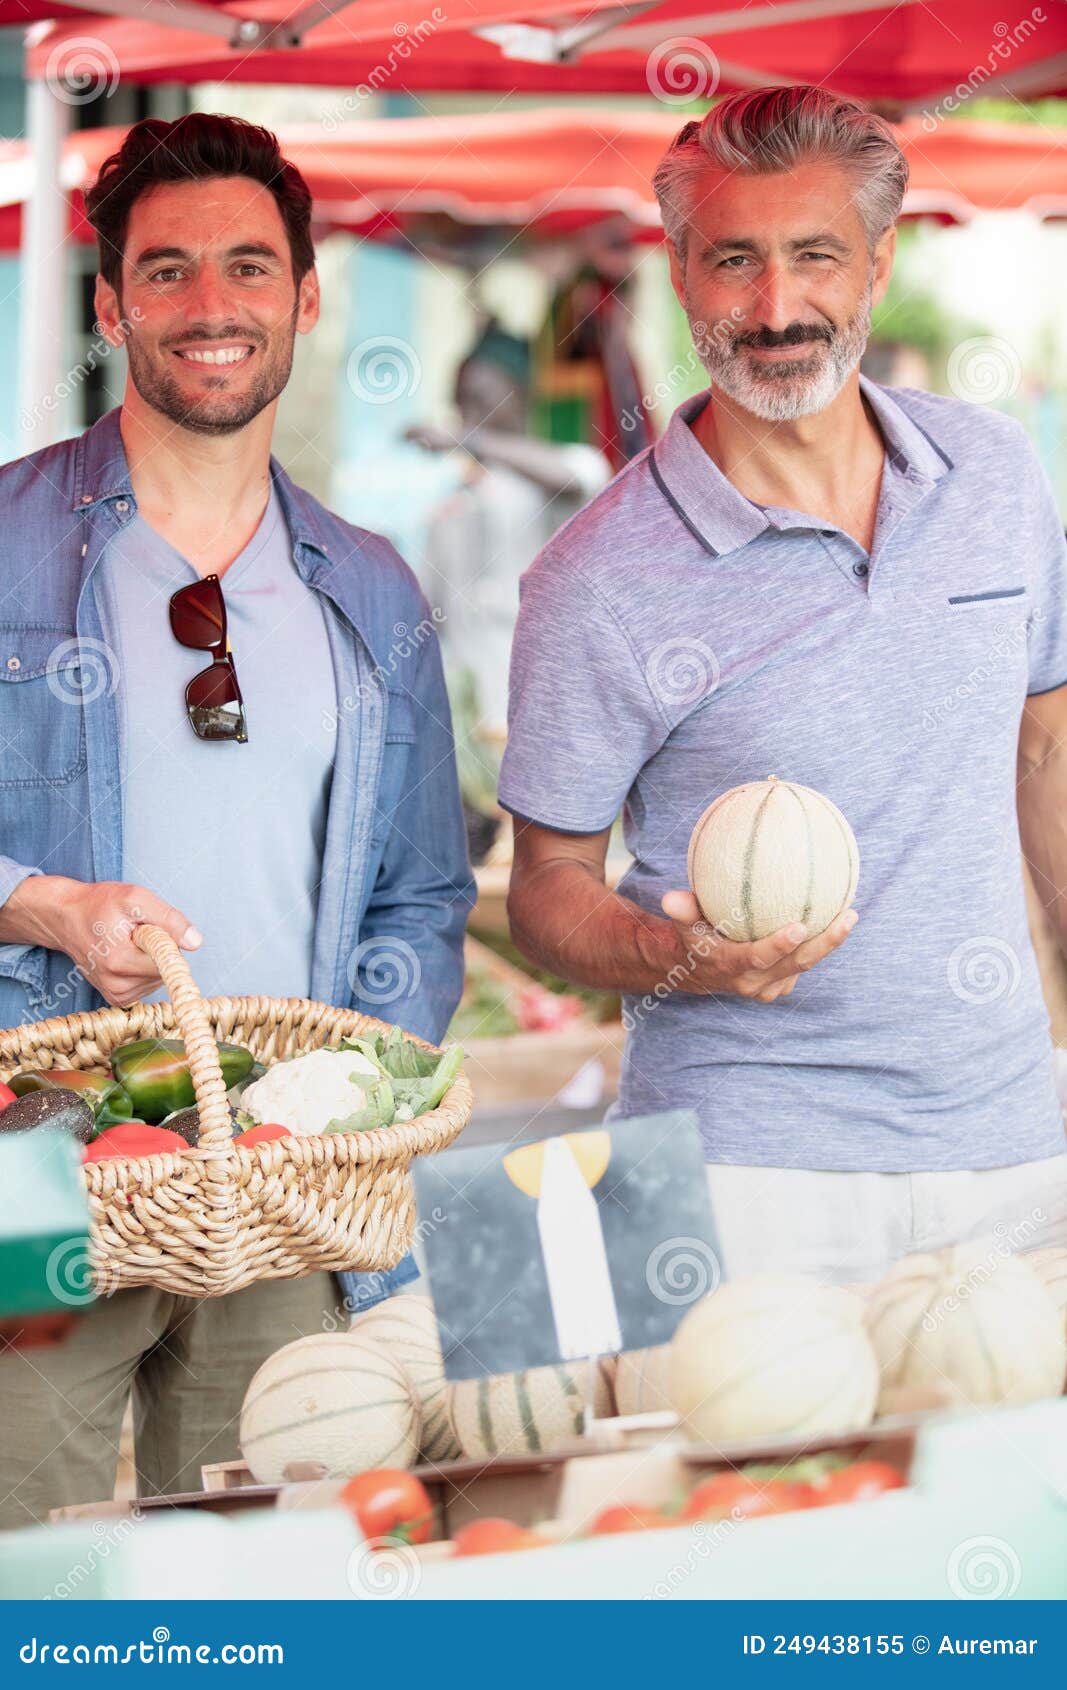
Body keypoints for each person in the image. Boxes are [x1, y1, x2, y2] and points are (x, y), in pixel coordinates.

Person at [500, 85, 1067, 1285]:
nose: (773, 309)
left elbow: (1045, 752)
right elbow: (546, 886)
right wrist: (680, 954)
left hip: (1012, 1141)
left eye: (814, 255)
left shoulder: (993, 473)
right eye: (732, 261)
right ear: (678, 271)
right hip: (735, 1166)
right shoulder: (591, 578)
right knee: (691, 1435)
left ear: (876, 262)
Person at [0, 114, 473, 1527]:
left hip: (277, 1192)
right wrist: (42, 903)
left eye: (249, 267)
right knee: (31, 1557)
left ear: (306, 297)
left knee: (259, 1565)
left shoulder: (371, 590)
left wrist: (339, 1105)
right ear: (110, 305)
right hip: (35, 1162)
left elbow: (420, 894)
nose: (212, 304)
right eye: (168, 270)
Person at [407, 322, 610, 737]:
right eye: (460, 398)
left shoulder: (567, 468)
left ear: (520, 393)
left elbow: (575, 480)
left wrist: (467, 440)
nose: (466, 409)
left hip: (545, 723)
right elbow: (429, 618)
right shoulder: (451, 504)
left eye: (479, 396)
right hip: (467, 726)